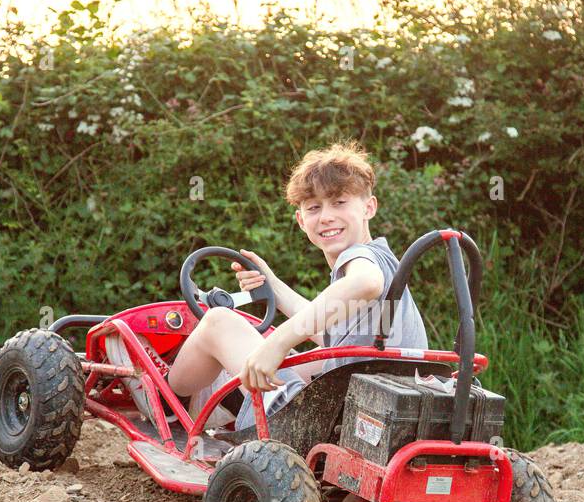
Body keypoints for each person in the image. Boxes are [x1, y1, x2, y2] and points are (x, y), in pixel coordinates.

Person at [166, 140, 428, 430]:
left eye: (339, 202)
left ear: (369, 207)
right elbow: (331, 333)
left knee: (218, 322)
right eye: (314, 208)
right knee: (295, 358)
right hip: (363, 410)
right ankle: (227, 403)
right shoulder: (388, 264)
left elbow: (365, 282)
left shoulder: (361, 259)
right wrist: (273, 287)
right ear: (301, 221)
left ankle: (167, 402)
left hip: (322, 420)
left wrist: (277, 344)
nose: (326, 216)